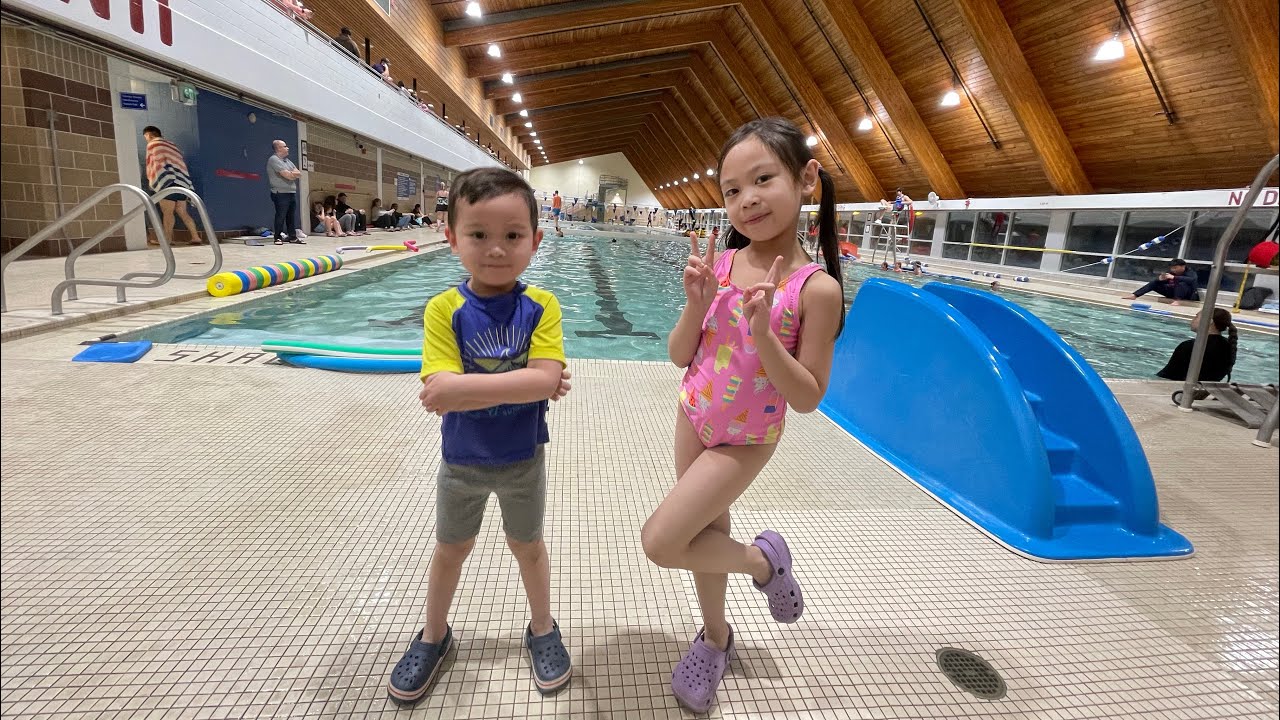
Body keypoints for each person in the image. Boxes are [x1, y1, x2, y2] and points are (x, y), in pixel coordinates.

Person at [641, 118, 846, 713]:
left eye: (762, 179)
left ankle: (762, 564)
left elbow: (808, 396)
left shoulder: (816, 289)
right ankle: (715, 638)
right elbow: (680, 354)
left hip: (747, 438)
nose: (747, 199)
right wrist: (696, 303)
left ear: (805, 178)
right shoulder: (723, 264)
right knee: (706, 535)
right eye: (732, 190)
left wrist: (764, 335)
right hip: (695, 413)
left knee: (663, 541)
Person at [387, 168, 573, 705]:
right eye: (479, 234)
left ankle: (542, 627)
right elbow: (445, 393)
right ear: (452, 238)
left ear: (536, 241)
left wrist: (465, 388)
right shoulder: (444, 309)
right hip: (461, 459)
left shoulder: (542, 305)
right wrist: (530, 382)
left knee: (528, 547)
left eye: (513, 235)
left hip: (522, 458)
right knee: (451, 549)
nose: (496, 249)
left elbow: (460, 390)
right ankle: (434, 634)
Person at [141, 126, 201, 246]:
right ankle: (195, 237)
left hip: (167, 181)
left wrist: (152, 180)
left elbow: (153, 164)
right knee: (182, 211)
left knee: (167, 212)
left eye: (145, 137)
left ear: (149, 135)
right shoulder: (172, 145)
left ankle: (167, 240)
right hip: (182, 182)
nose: (146, 139)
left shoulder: (152, 144)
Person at [1156, 308, 1237, 382]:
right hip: (1209, 388)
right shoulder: (1229, 346)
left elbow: (1166, 376)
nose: (1193, 320)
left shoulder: (1190, 346)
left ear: (1209, 321)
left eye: (1196, 317)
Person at [267, 139, 304, 245]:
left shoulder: (287, 161)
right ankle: (277, 237)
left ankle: (292, 237)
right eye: (285, 146)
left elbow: (299, 173)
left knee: (291, 216)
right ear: (279, 148)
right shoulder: (274, 160)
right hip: (280, 193)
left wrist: (291, 173)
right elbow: (287, 176)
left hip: (291, 192)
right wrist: (291, 174)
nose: (287, 148)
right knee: (281, 215)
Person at [1123, 259, 1200, 306]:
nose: (1173, 270)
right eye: (1172, 268)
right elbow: (1161, 280)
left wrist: (1174, 277)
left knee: (1181, 283)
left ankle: (1177, 301)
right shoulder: (1171, 272)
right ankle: (1135, 295)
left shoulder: (1190, 272)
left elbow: (1192, 280)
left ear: (1183, 266)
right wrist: (1160, 279)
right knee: (1154, 282)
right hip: (1172, 292)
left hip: (1187, 295)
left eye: (1175, 268)